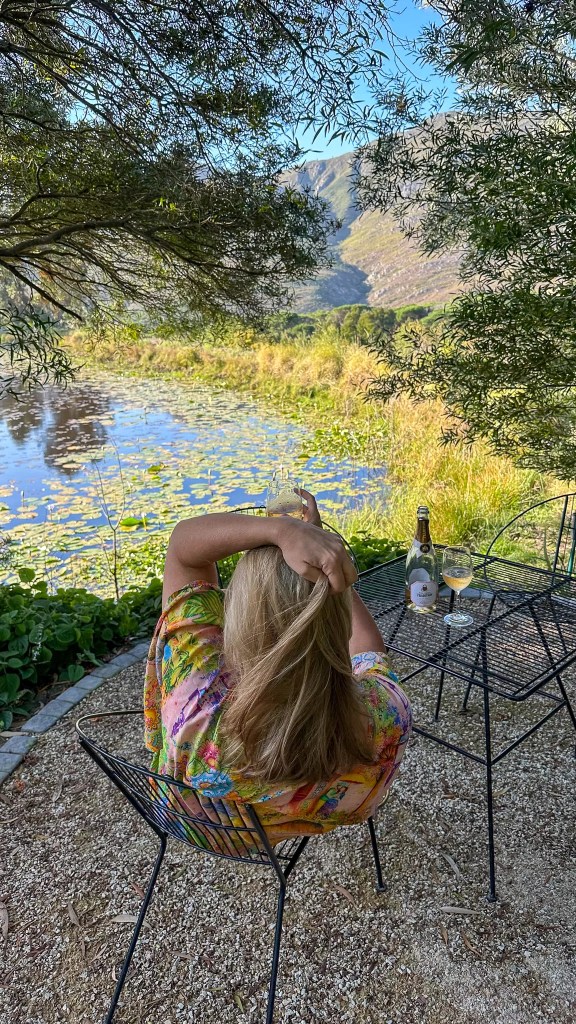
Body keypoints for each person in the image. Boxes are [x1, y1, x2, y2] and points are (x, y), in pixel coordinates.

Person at [144, 491, 412, 843]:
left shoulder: (198, 709)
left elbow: (184, 548)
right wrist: (330, 571)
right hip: (314, 819)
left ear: (237, 624)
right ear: (339, 623)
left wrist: (280, 532)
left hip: (199, 827)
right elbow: (368, 653)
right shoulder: (389, 714)